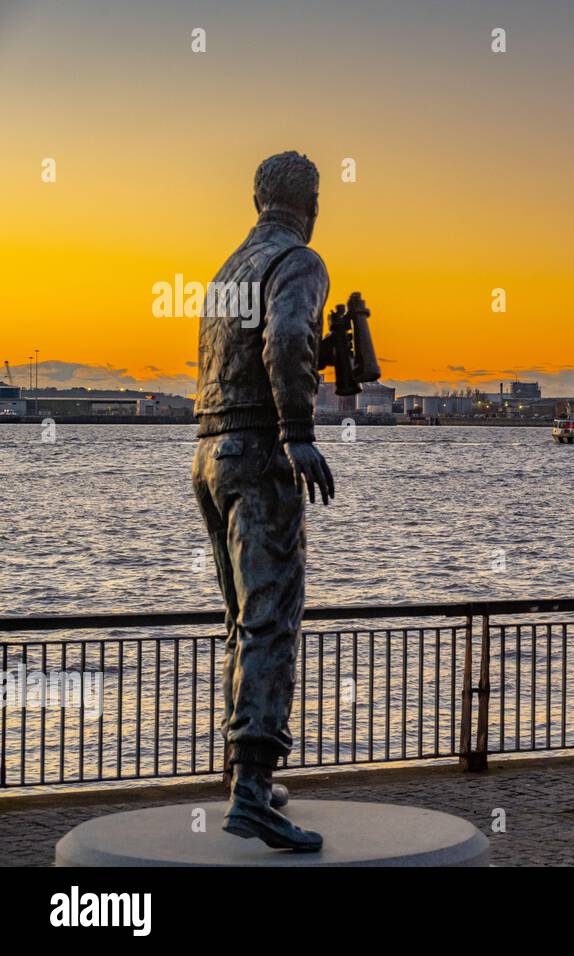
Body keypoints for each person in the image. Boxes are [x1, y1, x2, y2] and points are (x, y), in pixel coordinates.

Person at [192, 150, 341, 851]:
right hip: (258, 454)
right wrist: (300, 433)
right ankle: (252, 793)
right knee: (272, 621)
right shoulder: (300, 261)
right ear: (311, 200)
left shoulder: (229, 269)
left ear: (257, 200)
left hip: (210, 456)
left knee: (240, 621)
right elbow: (284, 338)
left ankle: (241, 777)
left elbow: (243, 353)